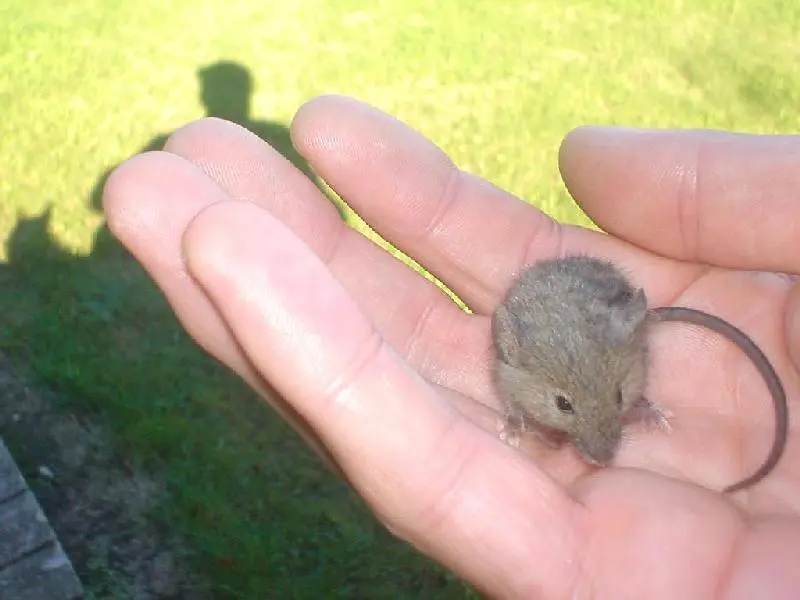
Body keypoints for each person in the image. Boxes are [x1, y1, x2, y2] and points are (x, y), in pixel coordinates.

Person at [102, 95, 800, 598]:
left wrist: (627, 398)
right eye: (561, 403)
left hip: (593, 316)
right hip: (557, 320)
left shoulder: (616, 350)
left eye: (618, 396)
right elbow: (525, 359)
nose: (596, 427)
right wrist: (536, 414)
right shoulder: (522, 355)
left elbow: (607, 358)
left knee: (596, 394)